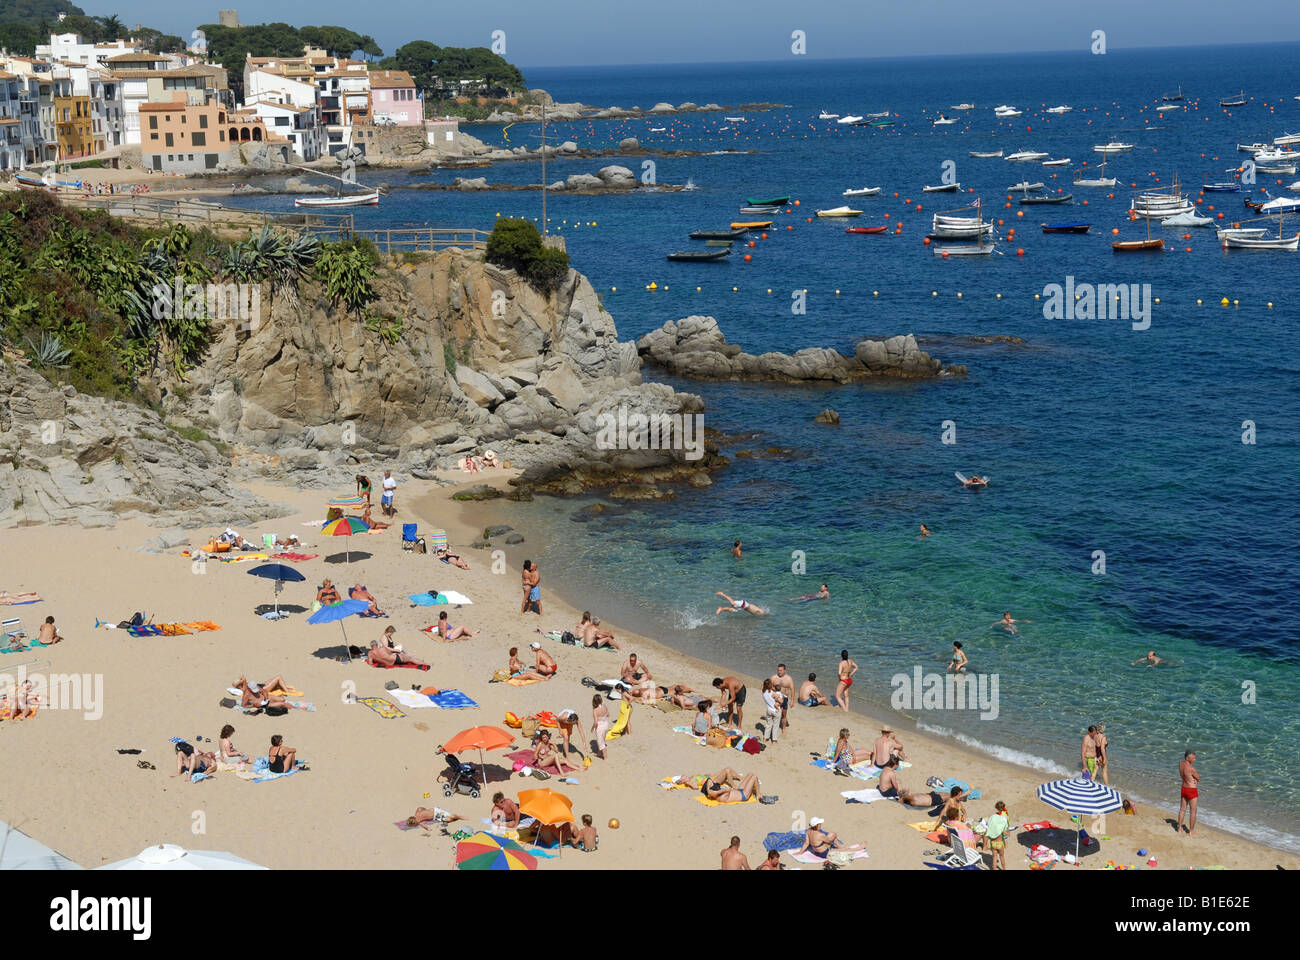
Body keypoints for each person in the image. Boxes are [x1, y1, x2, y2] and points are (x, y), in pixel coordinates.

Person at [878, 757, 944, 807]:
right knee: (905, 789)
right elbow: (895, 787)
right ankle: (901, 797)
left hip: (882, 789)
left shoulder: (885, 768)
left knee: (898, 781)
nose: (898, 766)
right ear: (895, 765)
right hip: (885, 793)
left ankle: (900, 794)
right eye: (898, 764)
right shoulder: (891, 773)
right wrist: (900, 791)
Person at [702, 767, 776, 804]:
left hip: (739, 790)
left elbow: (712, 782)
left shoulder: (718, 792)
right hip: (744, 795)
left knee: (750, 774)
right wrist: (709, 788)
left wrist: (709, 781)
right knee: (754, 777)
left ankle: (756, 791)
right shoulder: (717, 794)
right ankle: (758, 795)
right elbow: (711, 792)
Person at [1178, 750, 1200, 836]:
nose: (1195, 759)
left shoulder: (1180, 764)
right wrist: (1196, 779)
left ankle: (1179, 828)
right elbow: (1198, 777)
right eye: (1193, 758)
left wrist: (1192, 778)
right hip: (1191, 790)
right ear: (1188, 758)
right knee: (1193, 811)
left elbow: (1184, 775)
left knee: (1182, 809)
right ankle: (1191, 831)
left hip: (1184, 788)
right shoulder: (1191, 769)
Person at [984, 801, 1010, 869]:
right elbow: (1005, 832)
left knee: (994, 858)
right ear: (1003, 807)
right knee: (1002, 857)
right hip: (1000, 843)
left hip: (993, 842)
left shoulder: (992, 817)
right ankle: (1004, 868)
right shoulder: (1003, 819)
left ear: (996, 808)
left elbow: (988, 827)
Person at [770, 664, 795, 730]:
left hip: (785, 698)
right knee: (775, 713)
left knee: (784, 714)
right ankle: (774, 727)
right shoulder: (773, 678)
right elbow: (768, 687)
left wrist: (792, 700)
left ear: (785, 670)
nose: (779, 672)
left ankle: (783, 729)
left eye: (781, 670)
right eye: (778, 670)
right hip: (776, 698)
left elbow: (792, 689)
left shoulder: (788, 679)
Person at [591, 694, 610, 760]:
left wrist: (592, 728)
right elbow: (608, 714)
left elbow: (596, 722)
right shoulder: (604, 706)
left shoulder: (595, 710)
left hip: (600, 726)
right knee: (602, 739)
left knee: (600, 742)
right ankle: (599, 753)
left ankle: (605, 757)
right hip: (606, 724)